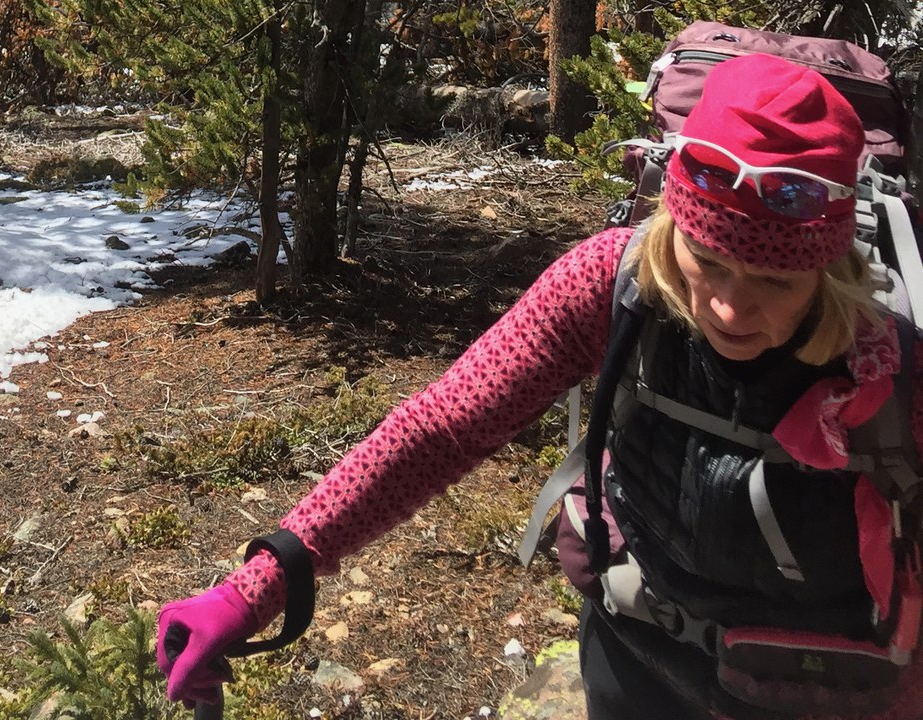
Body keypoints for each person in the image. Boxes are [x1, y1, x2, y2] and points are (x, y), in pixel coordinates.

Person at [156, 54, 923, 718]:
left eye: (773, 281)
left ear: (828, 270)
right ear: (673, 224)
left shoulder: (893, 359)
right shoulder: (610, 283)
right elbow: (444, 424)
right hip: (636, 656)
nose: (728, 308)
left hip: (834, 691)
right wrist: (260, 582)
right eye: (708, 261)